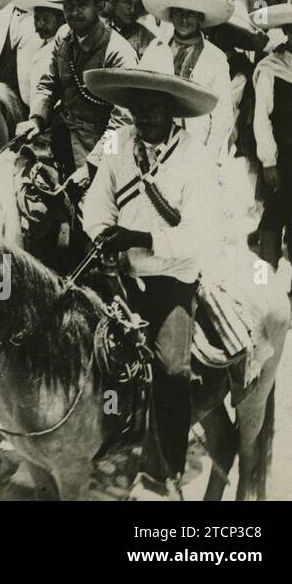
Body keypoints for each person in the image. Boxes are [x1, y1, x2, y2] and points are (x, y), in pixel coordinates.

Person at [82, 68, 223, 500]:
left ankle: (165, 470)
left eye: (154, 108)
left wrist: (140, 239)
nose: (144, 116)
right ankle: (106, 432)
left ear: (173, 112)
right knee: (83, 345)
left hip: (170, 280)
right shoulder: (115, 142)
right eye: (138, 108)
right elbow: (95, 201)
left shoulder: (196, 157)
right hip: (119, 276)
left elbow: (197, 237)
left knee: (170, 369)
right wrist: (102, 234)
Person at [19, 0, 137, 178]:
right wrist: (36, 119)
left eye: (81, 5)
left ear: (99, 6)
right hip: (61, 138)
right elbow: (48, 84)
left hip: (101, 150)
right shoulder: (63, 36)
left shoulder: (118, 53)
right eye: (68, 6)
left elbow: (123, 120)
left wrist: (94, 166)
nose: (73, 13)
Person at [251, 1, 292, 311]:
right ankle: (263, 282)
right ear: (285, 31)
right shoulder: (270, 67)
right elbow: (261, 117)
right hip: (282, 153)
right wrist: (269, 161)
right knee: (272, 216)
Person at [139, 0, 235, 162]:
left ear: (200, 18)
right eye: (179, 13)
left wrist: (209, 156)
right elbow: (138, 92)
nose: (184, 20)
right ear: (171, 15)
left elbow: (222, 115)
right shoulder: (156, 48)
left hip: (197, 142)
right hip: (155, 140)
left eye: (190, 14)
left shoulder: (215, 57)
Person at [13, 0, 64, 110]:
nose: (39, 24)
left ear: (61, 20)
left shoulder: (63, 48)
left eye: (46, 20)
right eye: (36, 19)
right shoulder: (35, 43)